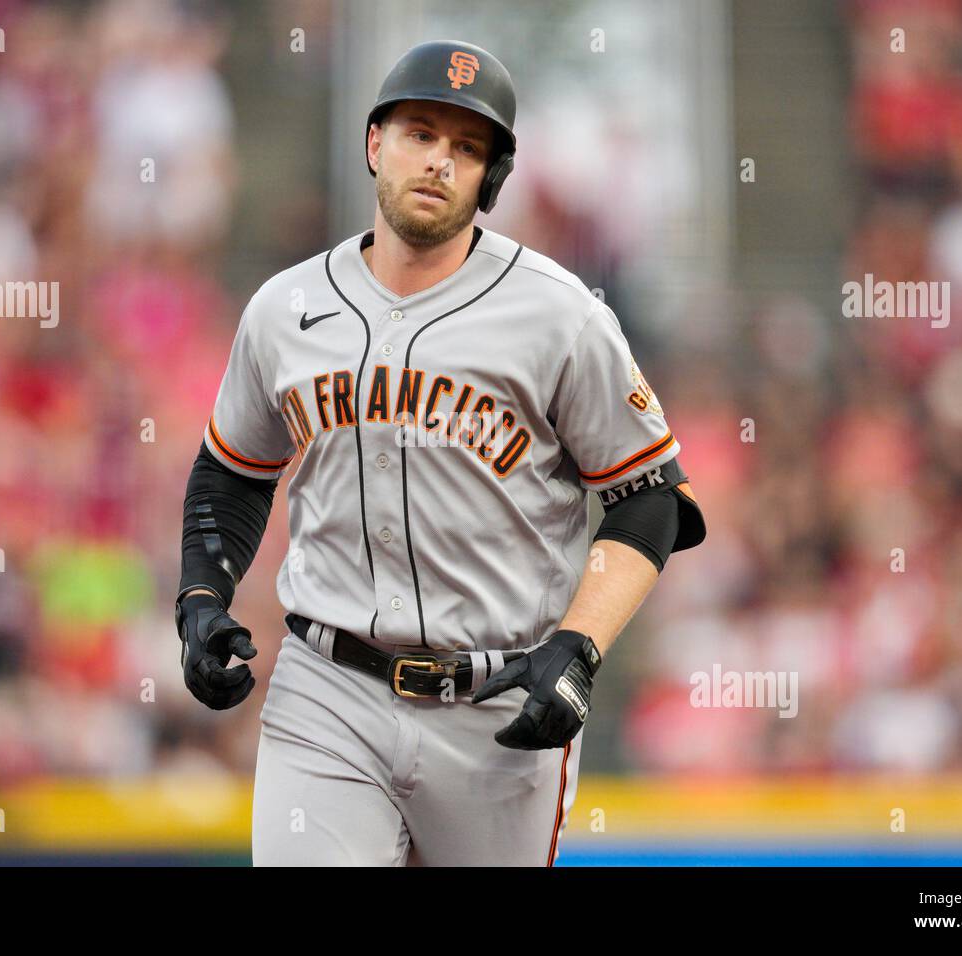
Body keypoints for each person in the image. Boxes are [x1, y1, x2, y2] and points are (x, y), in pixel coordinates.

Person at [175, 40, 705, 866]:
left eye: (467, 148)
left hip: (498, 704)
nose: (439, 161)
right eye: (421, 133)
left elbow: (654, 497)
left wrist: (580, 646)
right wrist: (202, 594)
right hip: (328, 690)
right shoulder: (285, 308)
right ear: (374, 142)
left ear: (491, 180)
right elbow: (233, 469)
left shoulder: (560, 315)